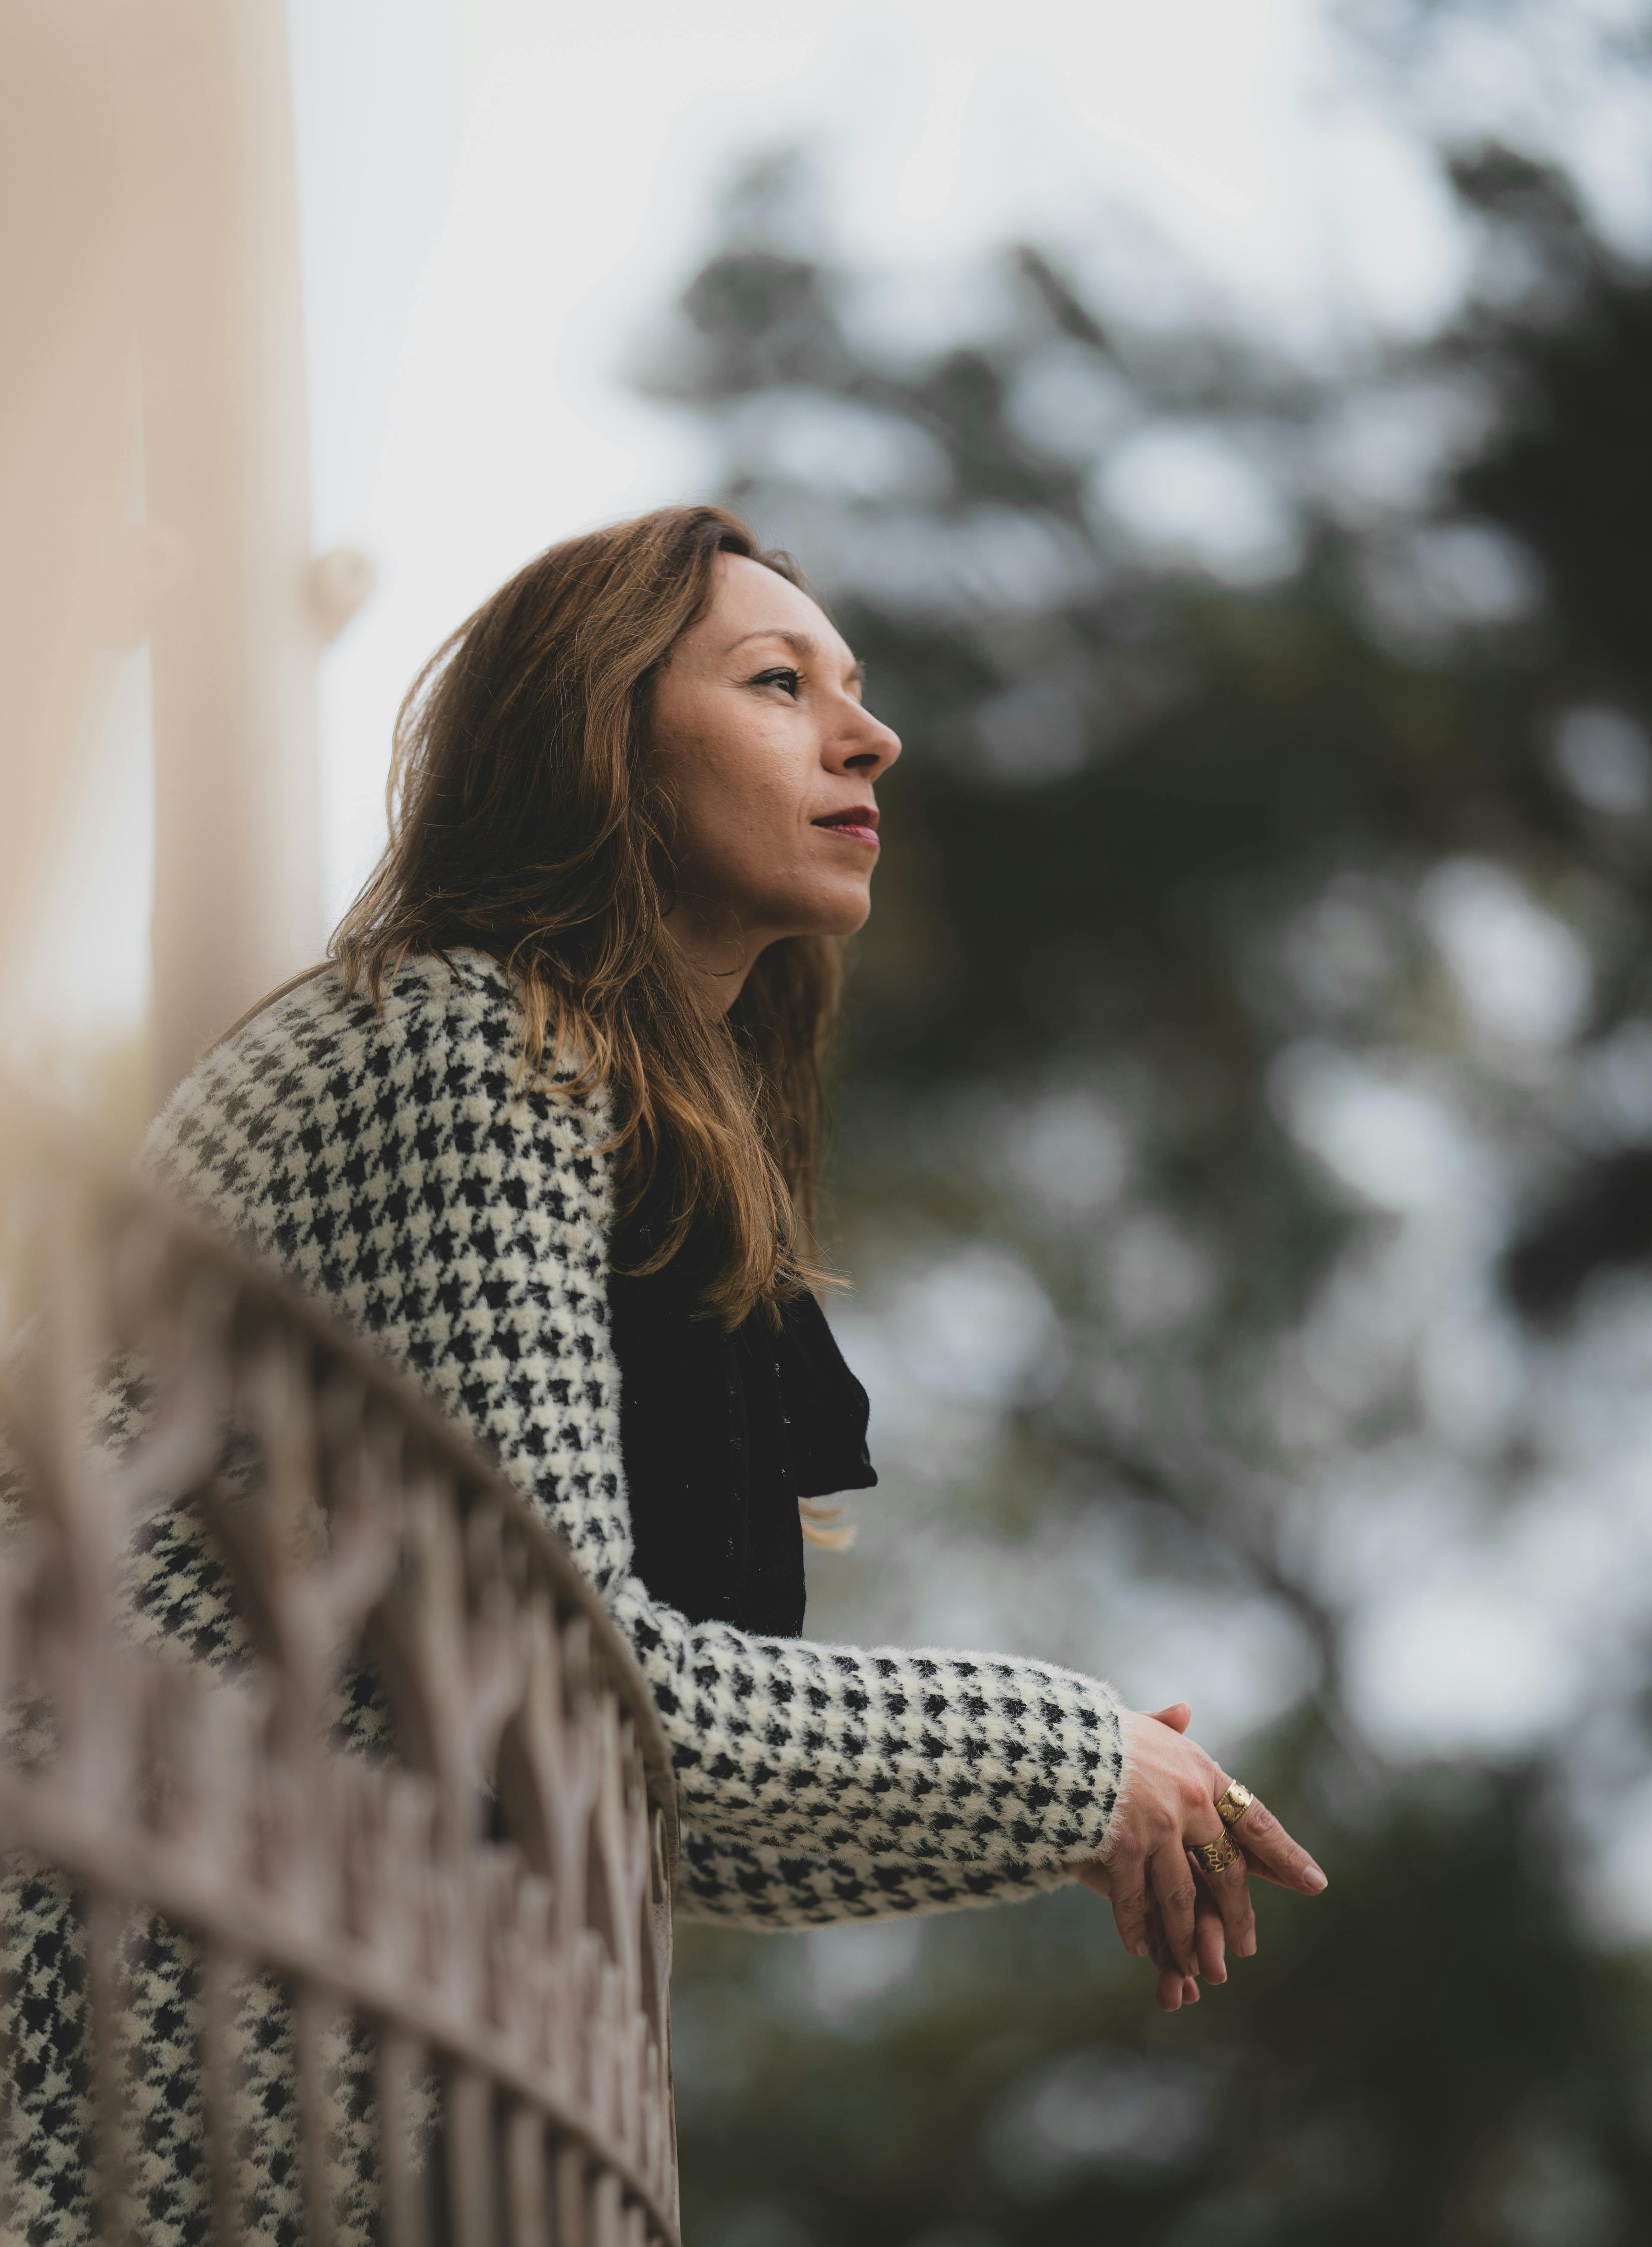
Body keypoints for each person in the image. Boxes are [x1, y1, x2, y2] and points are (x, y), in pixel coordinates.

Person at [148, 502, 1328, 2004]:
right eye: (782, 683)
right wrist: (1081, 1758)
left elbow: (638, 1810)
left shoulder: (609, 1119)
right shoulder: (471, 1045)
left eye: (854, 688)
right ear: (604, 742)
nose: (872, 736)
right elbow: (566, 1683)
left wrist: (1079, 1822)